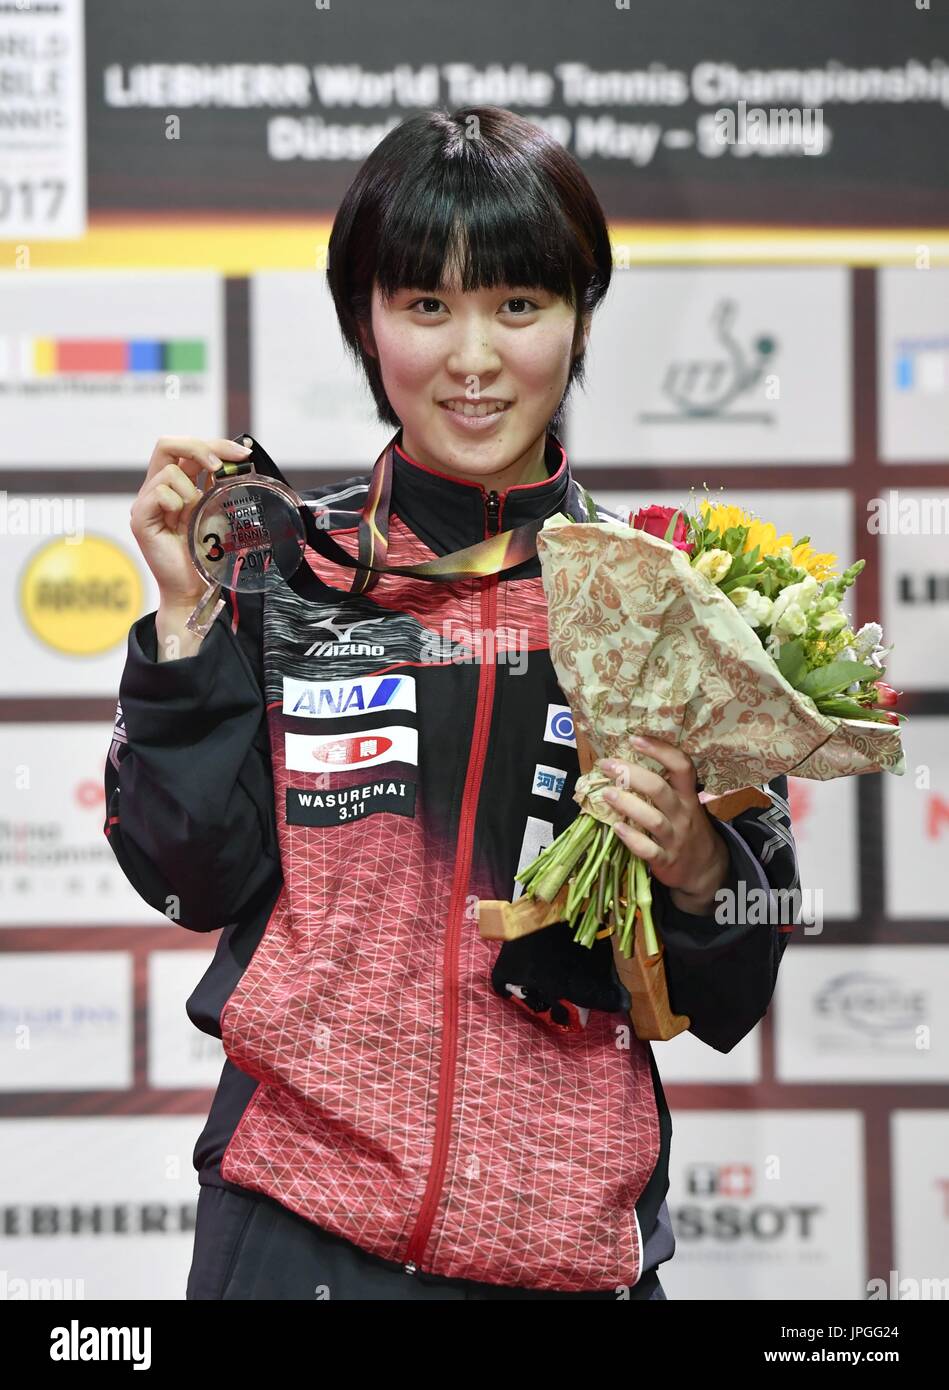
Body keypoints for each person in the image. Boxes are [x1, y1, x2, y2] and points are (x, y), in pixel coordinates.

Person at [104, 106, 799, 1301]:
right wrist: (182, 623)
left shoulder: (670, 595)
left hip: (568, 1257)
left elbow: (740, 967)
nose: (472, 359)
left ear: (578, 317)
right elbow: (190, 874)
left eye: (516, 307)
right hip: (296, 1236)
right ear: (366, 322)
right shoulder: (286, 566)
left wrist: (696, 859)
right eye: (427, 306)